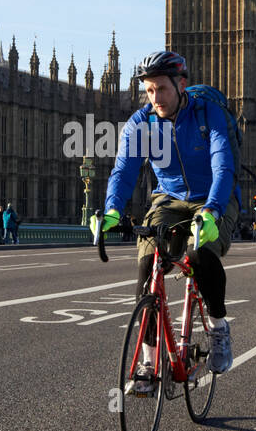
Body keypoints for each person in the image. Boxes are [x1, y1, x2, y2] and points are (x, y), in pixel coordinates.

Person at [93, 50, 240, 389]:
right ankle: (148, 362)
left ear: (181, 85)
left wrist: (214, 210)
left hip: (214, 198)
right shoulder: (141, 124)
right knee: (148, 267)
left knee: (200, 254)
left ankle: (218, 328)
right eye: (149, 90)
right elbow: (123, 170)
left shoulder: (209, 114)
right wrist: (113, 209)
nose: (155, 97)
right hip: (169, 198)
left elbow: (223, 166)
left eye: (161, 88)